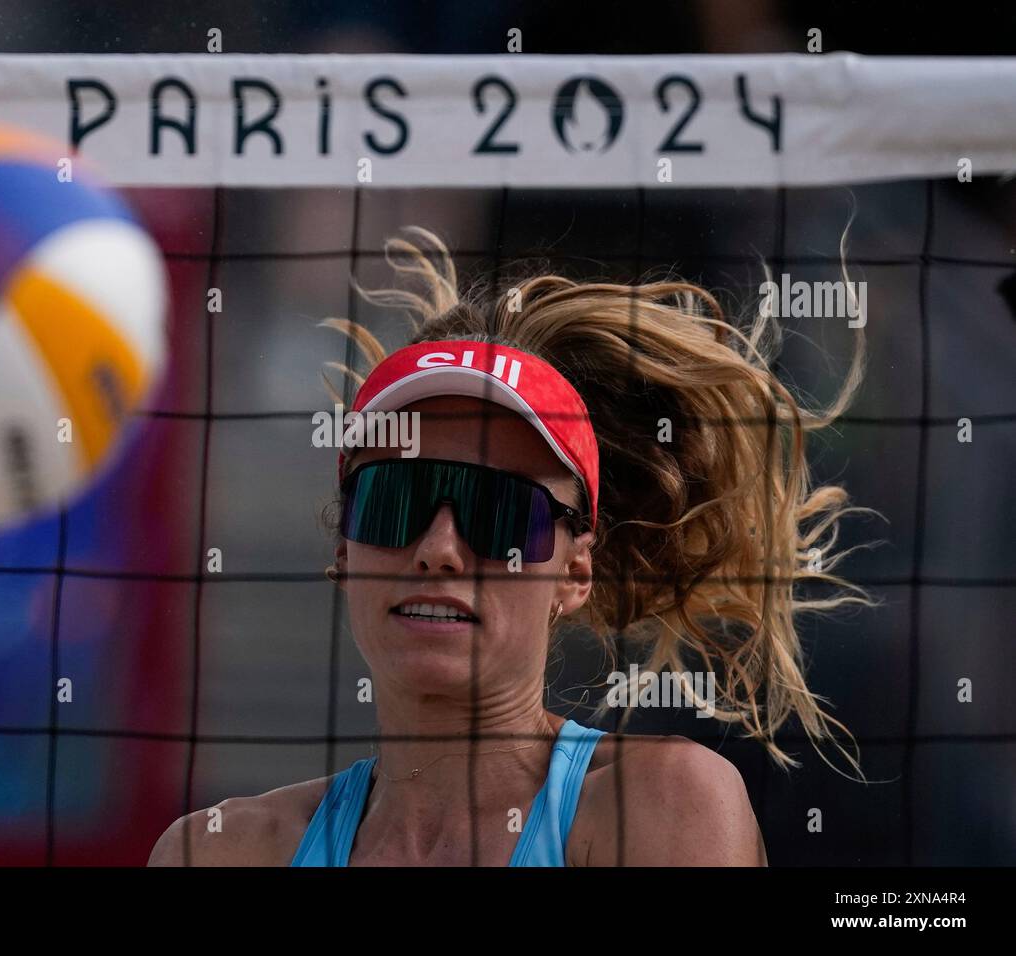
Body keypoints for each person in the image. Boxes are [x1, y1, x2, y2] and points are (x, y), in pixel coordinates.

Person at [149, 227, 871, 866]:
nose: (438, 549)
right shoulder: (219, 848)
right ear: (344, 552)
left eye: (498, 513)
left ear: (575, 570)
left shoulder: (662, 806)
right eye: (395, 504)